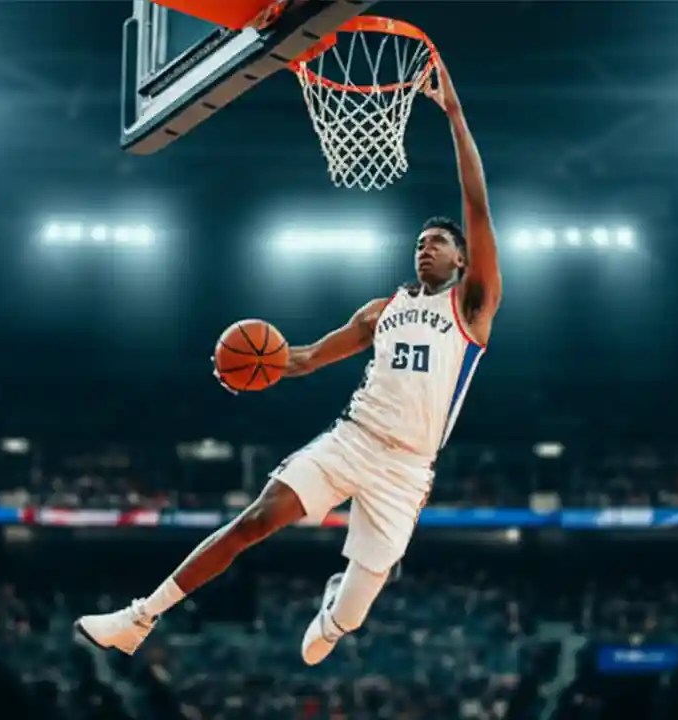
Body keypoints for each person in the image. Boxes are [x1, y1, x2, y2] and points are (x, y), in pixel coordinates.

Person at [75, 57, 502, 666]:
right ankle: (139, 616)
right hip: (353, 438)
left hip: (406, 470)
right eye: (419, 241)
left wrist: (455, 114)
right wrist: (254, 369)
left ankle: (334, 611)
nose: (425, 247)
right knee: (255, 519)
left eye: (438, 241)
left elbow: (477, 205)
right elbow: (300, 359)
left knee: (351, 616)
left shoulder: (474, 306)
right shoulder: (380, 311)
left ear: (462, 259)